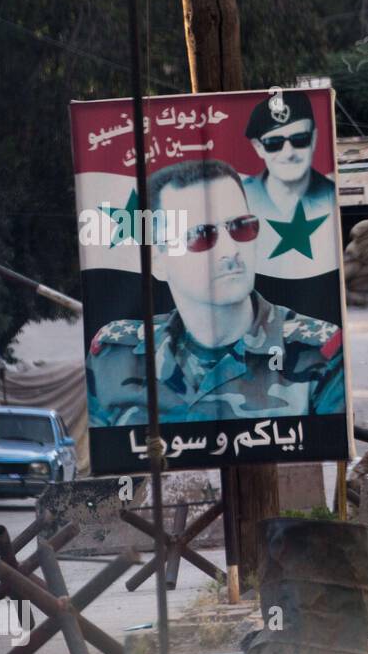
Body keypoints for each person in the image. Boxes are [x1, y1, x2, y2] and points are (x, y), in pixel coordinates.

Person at [86, 158, 344, 426]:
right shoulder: (114, 356)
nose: (230, 251)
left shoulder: (319, 353)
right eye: (201, 235)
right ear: (158, 260)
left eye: (240, 226)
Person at [241, 90, 335, 264]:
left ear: (314, 139)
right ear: (258, 147)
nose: (288, 153)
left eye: (300, 139)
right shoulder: (239, 199)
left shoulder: (332, 198)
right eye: (273, 143)